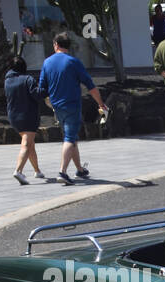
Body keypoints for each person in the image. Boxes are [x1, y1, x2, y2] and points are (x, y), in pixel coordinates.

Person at [38, 32, 107, 184]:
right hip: (72, 104)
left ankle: (80, 170)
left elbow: (42, 87)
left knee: (71, 136)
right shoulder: (74, 62)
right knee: (70, 138)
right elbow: (90, 86)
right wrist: (101, 103)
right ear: (68, 46)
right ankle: (62, 172)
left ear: (56, 44)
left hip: (56, 106)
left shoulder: (47, 62)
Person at [4, 57, 45, 184]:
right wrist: (45, 87)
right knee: (26, 144)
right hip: (28, 115)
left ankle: (37, 171)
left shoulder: (7, 81)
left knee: (30, 144)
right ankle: (18, 171)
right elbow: (37, 94)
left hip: (13, 117)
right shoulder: (28, 79)